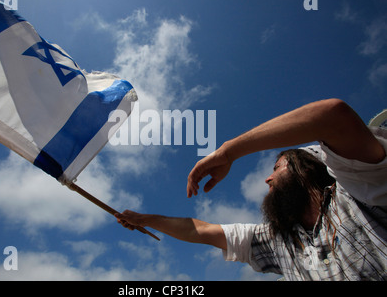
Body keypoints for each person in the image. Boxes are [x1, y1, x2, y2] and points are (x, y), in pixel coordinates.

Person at [115, 98, 387, 280]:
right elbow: (200, 231)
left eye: (277, 168)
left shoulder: (360, 190)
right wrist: (144, 219)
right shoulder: (279, 240)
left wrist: (228, 152)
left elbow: (332, 117)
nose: (267, 180)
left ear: (306, 169)